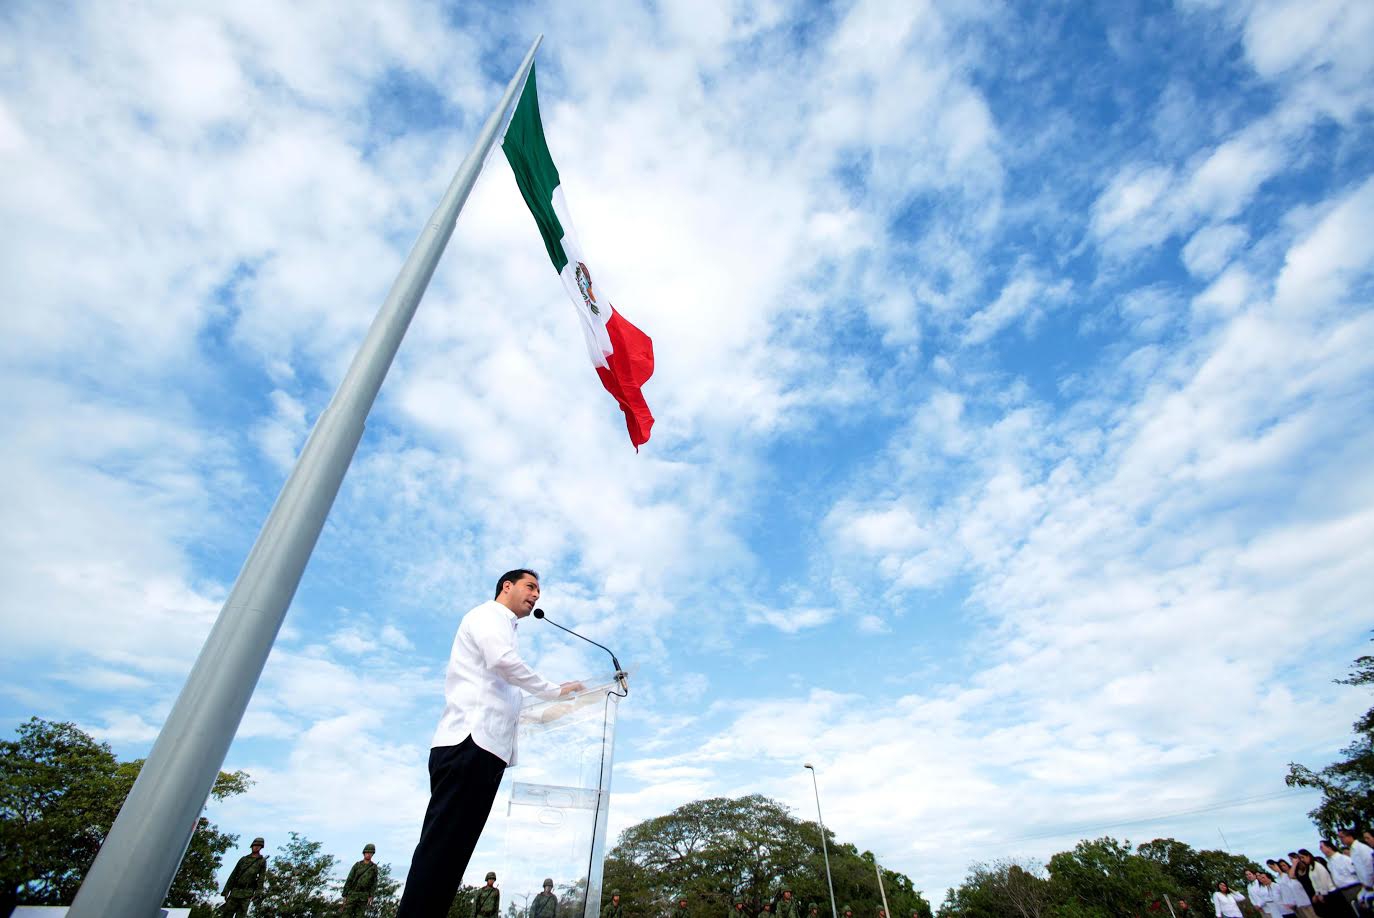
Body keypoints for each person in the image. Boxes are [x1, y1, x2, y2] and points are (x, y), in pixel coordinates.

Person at [396, 570, 584, 917]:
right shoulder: (487, 616)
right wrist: (555, 689)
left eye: (540, 590)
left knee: (453, 856)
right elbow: (503, 662)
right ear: (507, 587)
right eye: (531, 587)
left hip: (487, 754)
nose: (537, 595)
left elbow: (512, 702)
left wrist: (567, 704)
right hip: (467, 746)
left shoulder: (507, 631)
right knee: (440, 852)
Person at [220, 837, 267, 917]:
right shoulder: (243, 859)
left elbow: (261, 879)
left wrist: (257, 893)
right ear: (252, 846)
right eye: (254, 845)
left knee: (241, 916)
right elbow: (233, 875)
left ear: (261, 847)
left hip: (247, 893)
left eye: (258, 846)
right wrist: (226, 891)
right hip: (235, 891)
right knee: (226, 914)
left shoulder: (261, 861)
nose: (256, 847)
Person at [1321, 839, 1363, 912]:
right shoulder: (1329, 863)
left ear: (1329, 847)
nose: (1320, 850)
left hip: (1354, 888)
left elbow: (1357, 872)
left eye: (1322, 847)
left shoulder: (1344, 859)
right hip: (1343, 891)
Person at [340, 843, 379, 917]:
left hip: (363, 896)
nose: (368, 854)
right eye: (367, 852)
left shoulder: (374, 867)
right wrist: (345, 895)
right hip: (352, 894)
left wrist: (371, 896)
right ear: (364, 853)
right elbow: (349, 879)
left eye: (371, 853)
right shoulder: (357, 865)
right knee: (346, 915)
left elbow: (374, 883)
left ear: (373, 854)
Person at [1339, 829, 1374, 899]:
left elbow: (1370, 867)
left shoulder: (1361, 848)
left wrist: (1368, 884)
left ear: (1350, 836)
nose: (1341, 840)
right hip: (1366, 887)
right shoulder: (1352, 850)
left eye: (1342, 837)